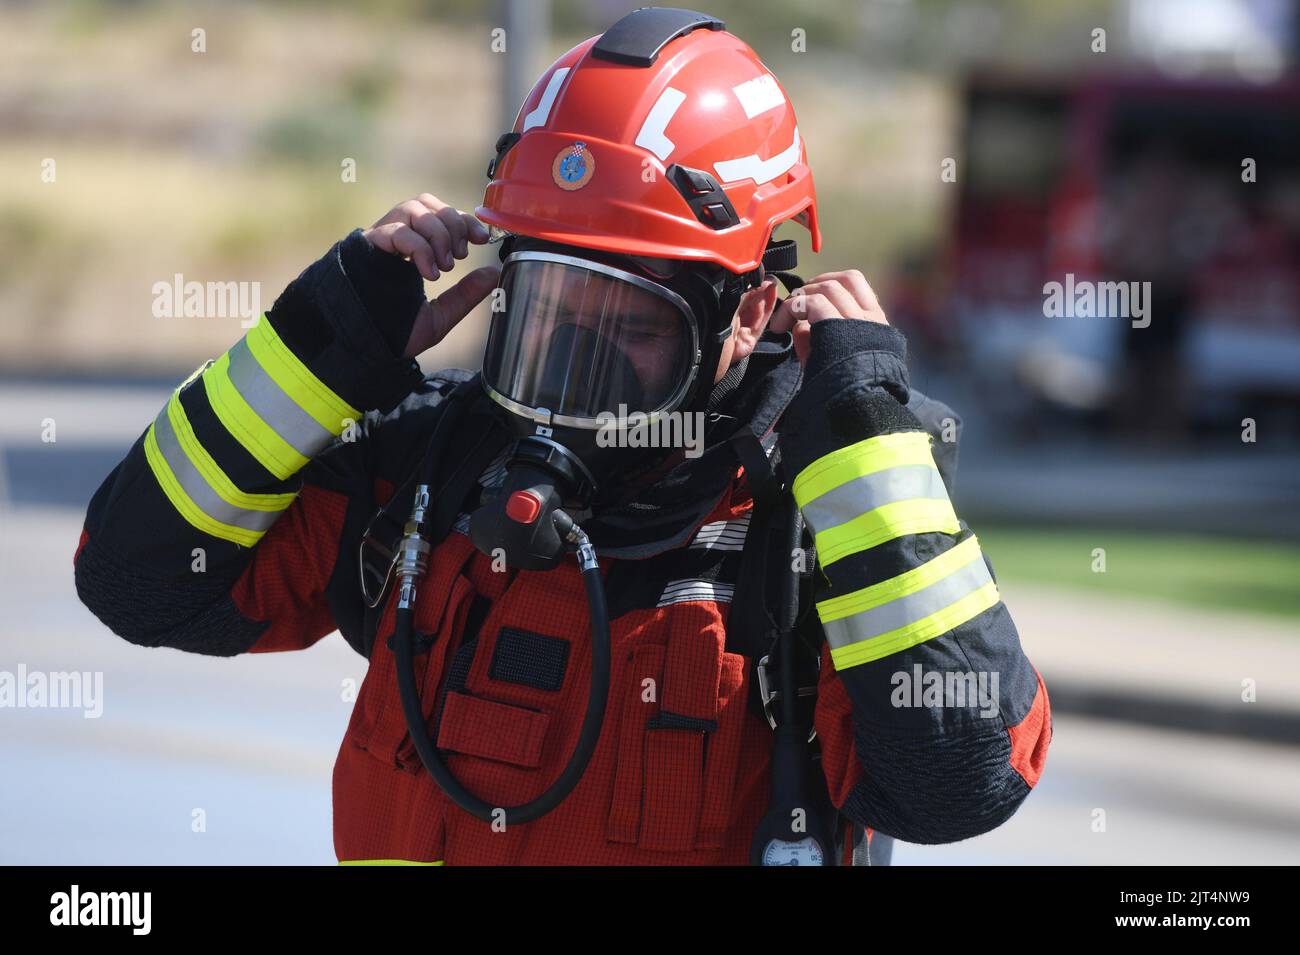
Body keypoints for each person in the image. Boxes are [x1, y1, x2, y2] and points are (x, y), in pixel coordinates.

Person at [74, 8, 1051, 865]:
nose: (575, 367)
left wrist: (865, 444)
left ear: (748, 314)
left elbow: (956, 784)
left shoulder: (819, 519)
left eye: (626, 323)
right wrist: (319, 353)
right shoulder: (430, 473)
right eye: (547, 308)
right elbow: (138, 583)